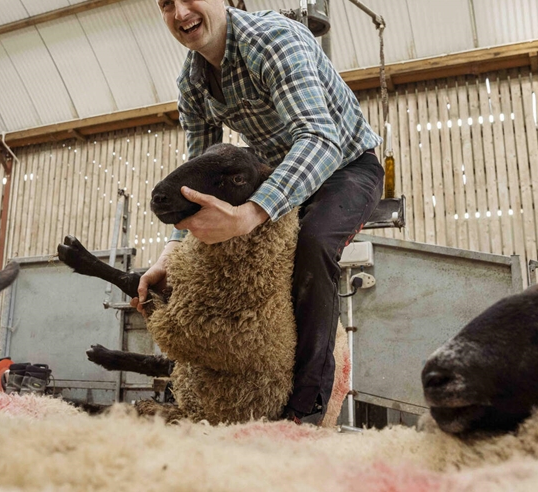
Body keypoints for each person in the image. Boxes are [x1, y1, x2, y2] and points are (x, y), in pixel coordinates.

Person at [131, 0, 384, 424]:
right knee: (243, 266)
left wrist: (252, 212)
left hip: (347, 167)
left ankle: (306, 406)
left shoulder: (273, 41)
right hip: (283, 177)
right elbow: (196, 174)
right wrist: (171, 251)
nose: (180, 13)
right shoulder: (192, 81)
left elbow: (320, 140)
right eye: (166, 4)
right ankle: (221, 391)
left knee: (313, 242)